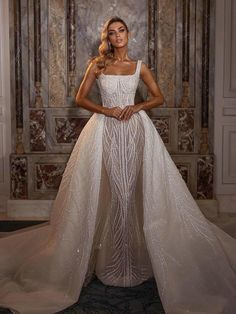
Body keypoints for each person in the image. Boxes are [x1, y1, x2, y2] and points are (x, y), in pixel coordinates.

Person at [0, 16, 236, 314]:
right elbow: (80, 98)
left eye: (121, 31)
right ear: (108, 38)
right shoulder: (97, 65)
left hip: (136, 132)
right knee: (112, 192)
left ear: (128, 33)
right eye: (112, 33)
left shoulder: (140, 67)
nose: (118, 36)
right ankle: (111, 264)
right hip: (104, 132)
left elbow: (159, 97)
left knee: (133, 193)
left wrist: (137, 106)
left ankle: (133, 263)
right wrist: (106, 110)